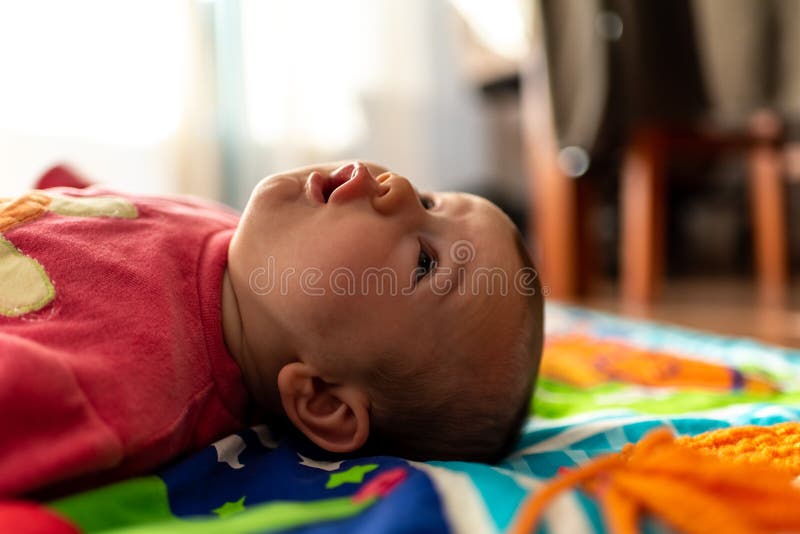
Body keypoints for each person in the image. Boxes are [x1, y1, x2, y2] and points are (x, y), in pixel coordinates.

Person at [0, 161, 544, 498]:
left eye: (425, 262)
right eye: (428, 198)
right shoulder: (229, 228)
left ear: (324, 401)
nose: (396, 185)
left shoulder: (116, 390)